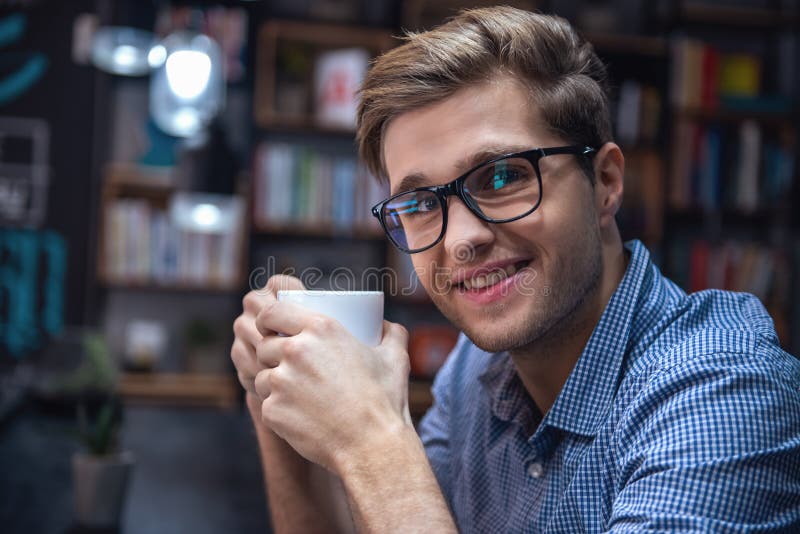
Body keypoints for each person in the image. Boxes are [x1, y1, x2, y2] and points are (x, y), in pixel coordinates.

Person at [231, 6, 800, 532]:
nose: (461, 241)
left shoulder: (726, 390)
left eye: (502, 177)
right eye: (422, 204)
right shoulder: (475, 368)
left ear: (604, 183)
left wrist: (371, 440)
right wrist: (277, 398)